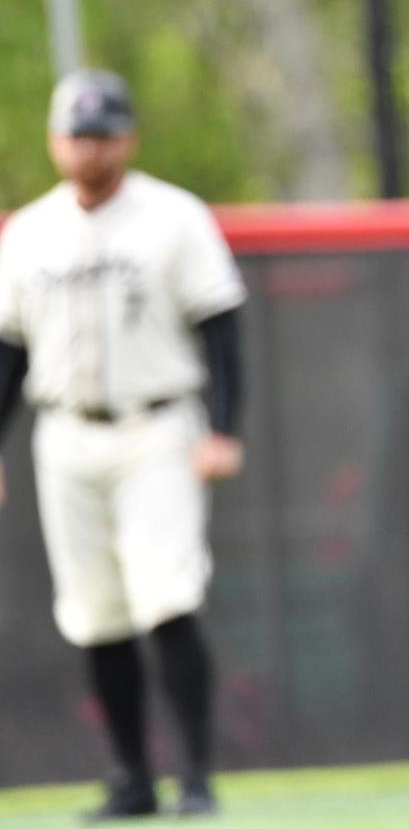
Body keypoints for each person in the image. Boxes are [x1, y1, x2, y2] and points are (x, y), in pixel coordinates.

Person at [0, 69, 246, 819]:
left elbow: (221, 326)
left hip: (156, 426)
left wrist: (225, 428)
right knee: (95, 610)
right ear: (55, 141)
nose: (91, 149)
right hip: (66, 433)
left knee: (167, 595)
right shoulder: (31, 231)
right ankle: (132, 778)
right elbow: (9, 351)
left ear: (128, 139)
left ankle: (196, 776)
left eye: (103, 135)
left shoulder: (173, 217)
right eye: (78, 135)